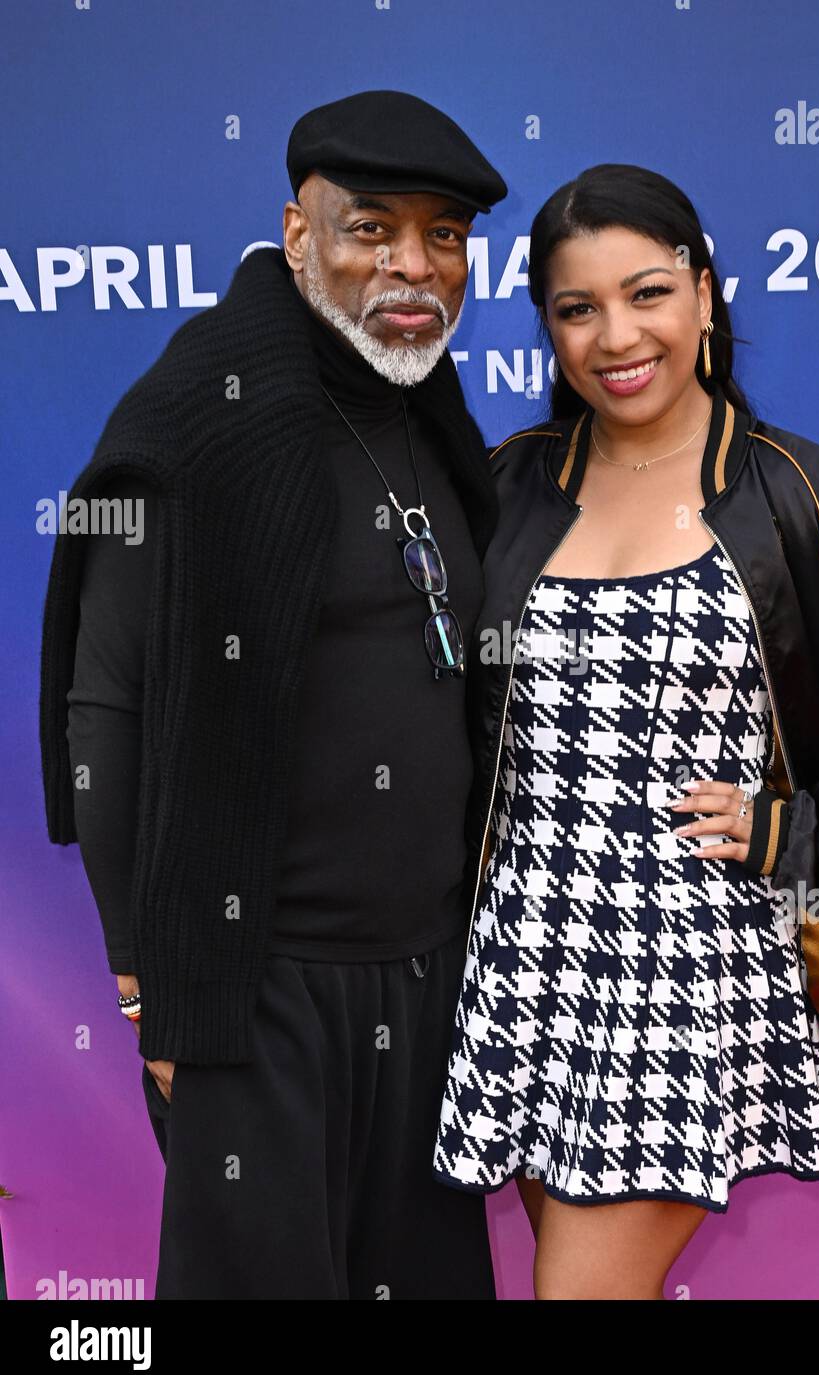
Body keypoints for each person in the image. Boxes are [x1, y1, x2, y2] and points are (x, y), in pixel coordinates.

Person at [430, 163, 819, 1299]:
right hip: (519, 963)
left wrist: (807, 833)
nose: (618, 334)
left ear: (705, 295)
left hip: (683, 972)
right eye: (577, 308)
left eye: (647, 292)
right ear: (549, 329)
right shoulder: (507, 484)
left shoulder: (800, 494)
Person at [39, 89, 507, 1299]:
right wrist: (150, 978)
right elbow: (108, 708)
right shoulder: (204, 416)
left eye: (444, 235)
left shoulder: (427, 410)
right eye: (372, 230)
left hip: (427, 975)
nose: (413, 266)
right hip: (257, 990)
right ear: (298, 236)